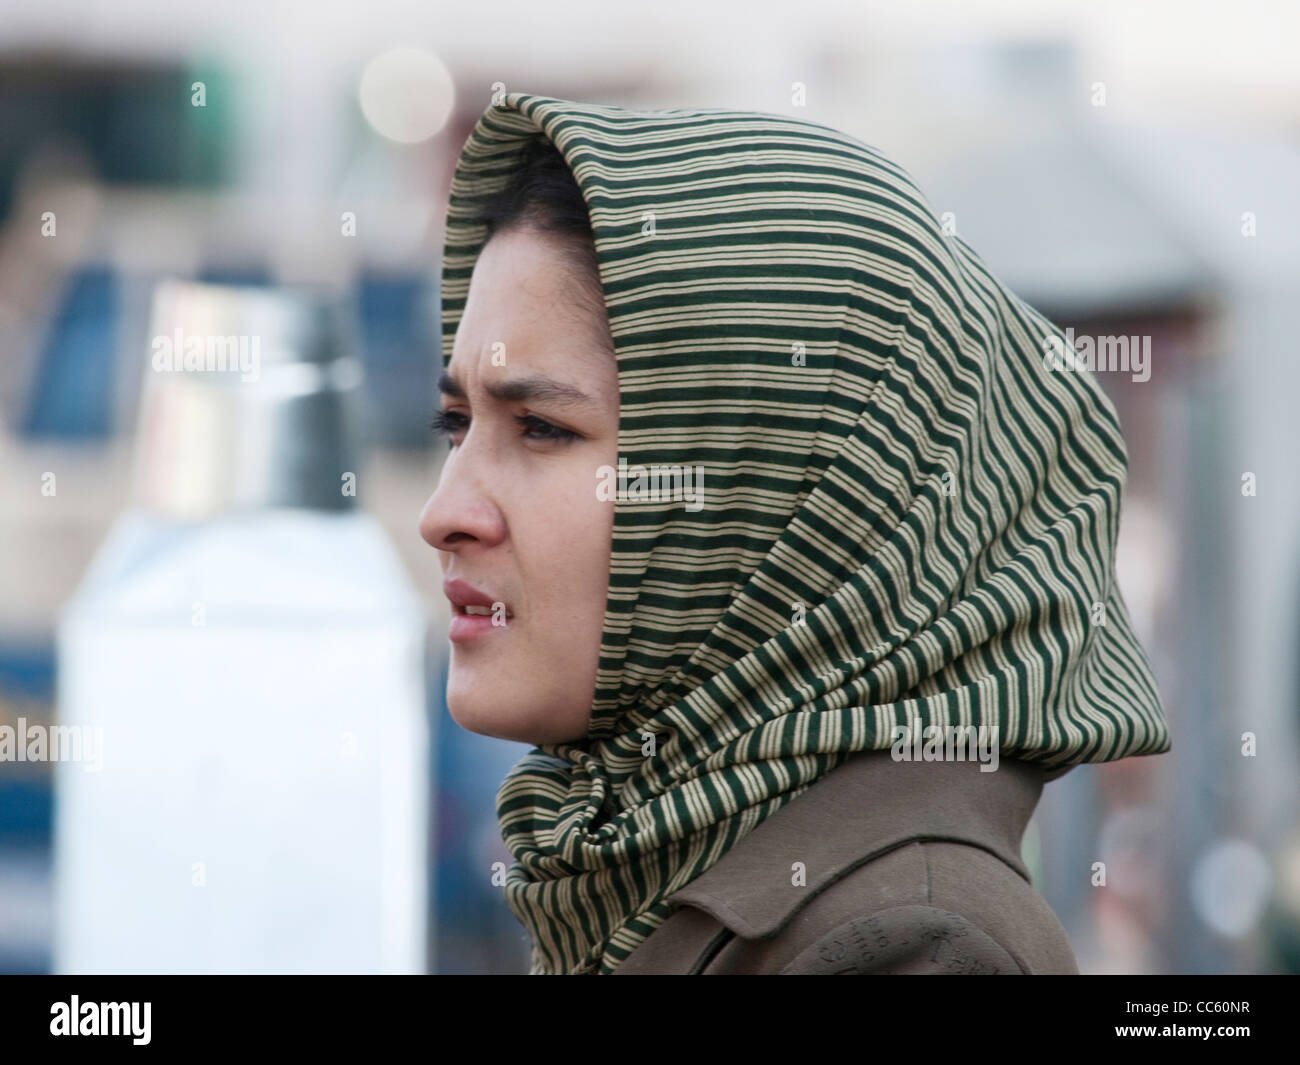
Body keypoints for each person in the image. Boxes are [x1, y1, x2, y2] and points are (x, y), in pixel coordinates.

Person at [419, 93, 1172, 975]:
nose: (445, 513)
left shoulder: (906, 945)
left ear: (785, 489)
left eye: (541, 428)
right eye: (455, 424)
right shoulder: (634, 870)